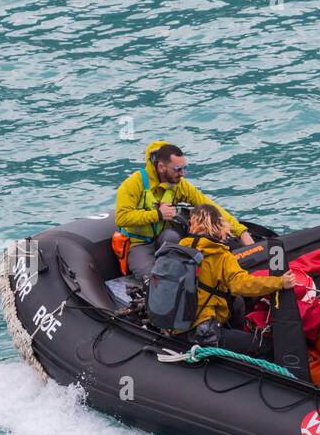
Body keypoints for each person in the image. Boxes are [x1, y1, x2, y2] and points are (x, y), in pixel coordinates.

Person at [108, 140, 254, 305]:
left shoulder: (179, 185)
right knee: (152, 280)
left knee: (175, 243)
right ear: (161, 167)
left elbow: (210, 206)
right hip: (139, 244)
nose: (183, 174)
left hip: (165, 237)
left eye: (184, 168)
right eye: (178, 169)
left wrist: (241, 231)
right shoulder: (133, 184)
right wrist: (157, 214)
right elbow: (122, 217)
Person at [177, 204, 299, 357]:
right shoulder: (220, 256)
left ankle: (234, 334)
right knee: (267, 347)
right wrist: (279, 282)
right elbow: (242, 284)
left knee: (237, 302)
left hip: (175, 324)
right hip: (200, 331)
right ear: (219, 226)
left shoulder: (181, 247)